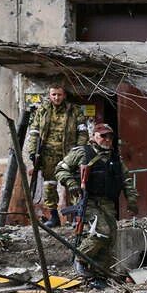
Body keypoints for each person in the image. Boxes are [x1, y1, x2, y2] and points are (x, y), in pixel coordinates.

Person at [54, 123, 138, 288]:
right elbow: (60, 169)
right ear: (94, 136)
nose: (107, 139)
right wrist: (71, 183)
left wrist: (132, 199)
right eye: (103, 136)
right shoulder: (82, 152)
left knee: (110, 237)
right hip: (87, 200)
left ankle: (98, 276)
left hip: (107, 202)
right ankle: (80, 258)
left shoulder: (115, 157)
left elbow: (126, 179)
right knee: (101, 231)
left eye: (110, 136)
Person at [24, 83, 88, 227]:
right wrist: (32, 152)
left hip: (69, 155)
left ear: (64, 95)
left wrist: (78, 152)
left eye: (59, 94)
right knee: (49, 186)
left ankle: (75, 219)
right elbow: (34, 132)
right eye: (54, 94)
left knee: (72, 185)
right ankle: (54, 217)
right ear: (49, 95)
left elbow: (83, 133)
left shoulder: (75, 111)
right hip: (47, 155)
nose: (56, 97)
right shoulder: (42, 110)